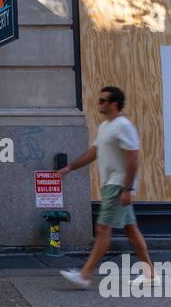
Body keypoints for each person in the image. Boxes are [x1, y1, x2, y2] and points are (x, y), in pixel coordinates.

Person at [52, 85, 156, 289]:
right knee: (131, 230)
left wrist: (128, 189)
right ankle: (150, 274)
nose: (98, 103)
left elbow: (133, 158)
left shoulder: (123, 125)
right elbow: (95, 151)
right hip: (113, 184)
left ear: (113, 104)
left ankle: (84, 274)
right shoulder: (105, 127)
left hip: (117, 184)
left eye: (102, 101)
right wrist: (70, 167)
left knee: (102, 229)